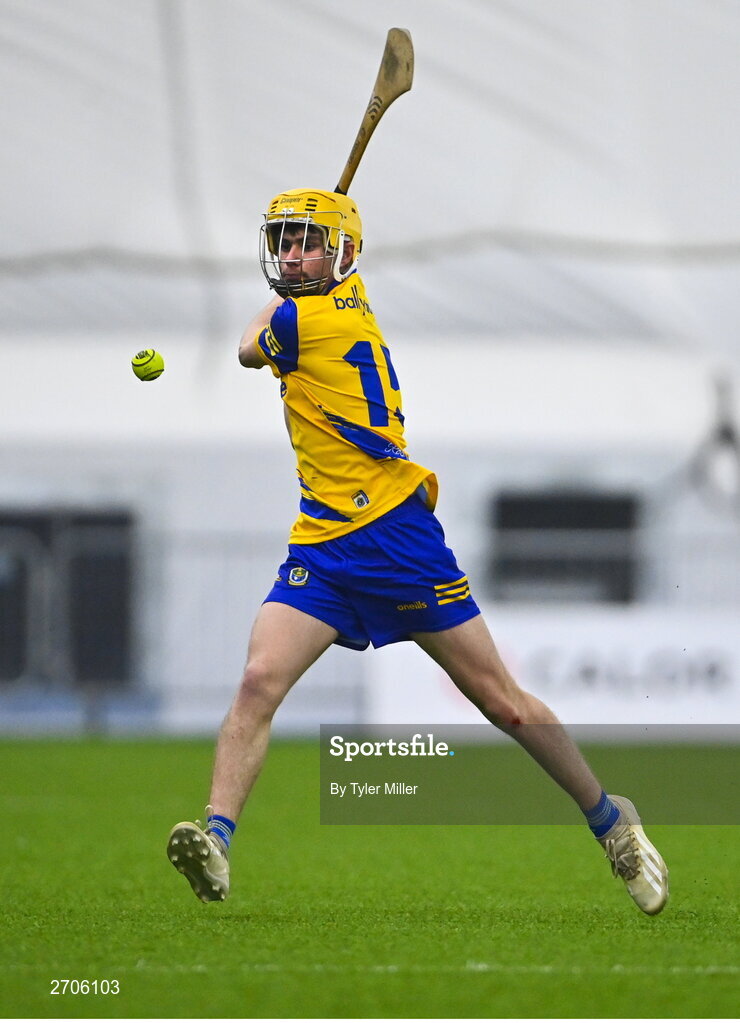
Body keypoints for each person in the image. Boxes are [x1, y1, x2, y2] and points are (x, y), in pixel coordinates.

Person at [167, 188, 668, 915]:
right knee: (258, 681)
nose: (289, 254)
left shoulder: (300, 319)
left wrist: (266, 308)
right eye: (282, 241)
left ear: (341, 253)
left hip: (396, 539)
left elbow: (247, 349)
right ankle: (215, 837)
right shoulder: (337, 298)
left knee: (505, 704)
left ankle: (612, 821)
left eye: (306, 241)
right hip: (323, 543)